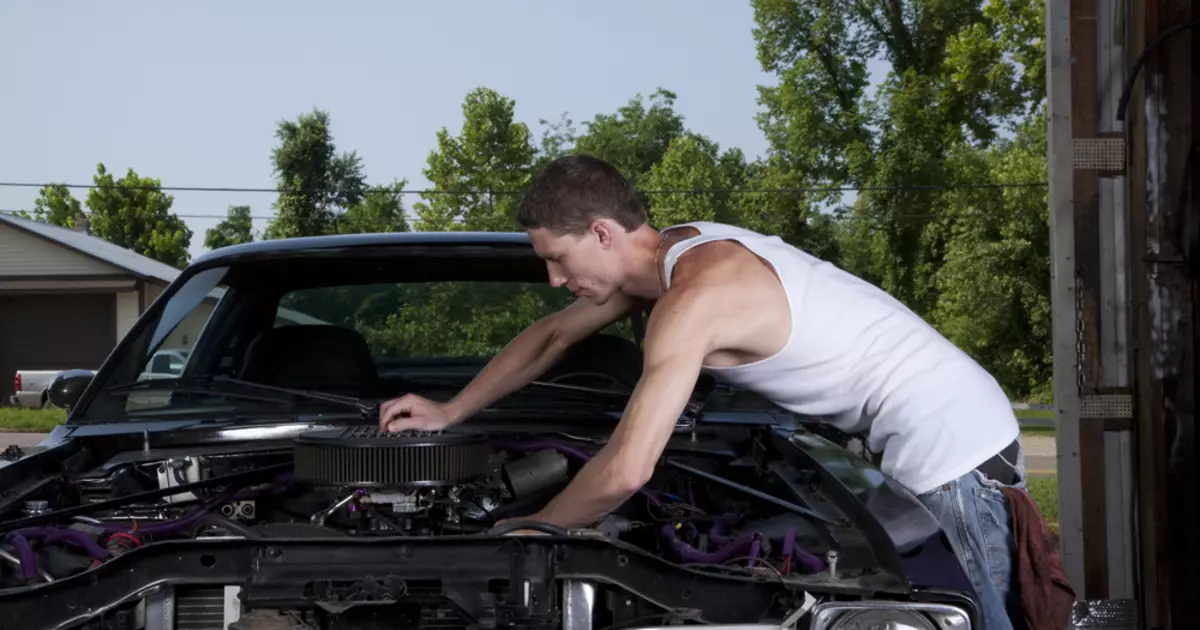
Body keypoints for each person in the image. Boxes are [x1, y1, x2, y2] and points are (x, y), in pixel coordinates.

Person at [378, 154, 1024, 629]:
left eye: (558, 258)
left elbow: (630, 468)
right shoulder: (674, 253)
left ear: (602, 233)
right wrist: (450, 409)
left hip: (950, 444)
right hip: (919, 432)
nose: (553, 278)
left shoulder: (695, 297)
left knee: (980, 621)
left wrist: (533, 530)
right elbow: (552, 337)